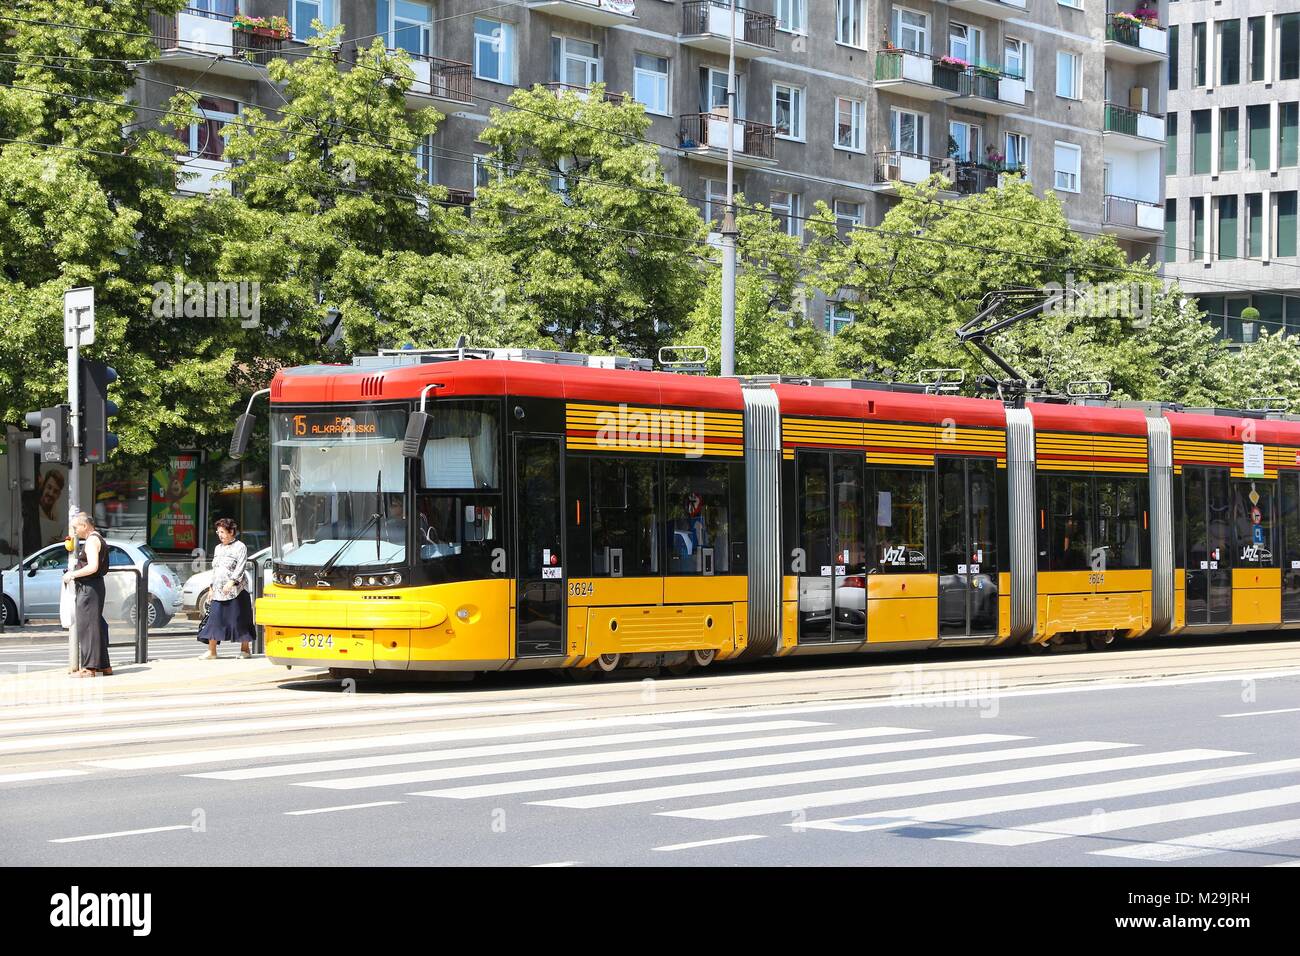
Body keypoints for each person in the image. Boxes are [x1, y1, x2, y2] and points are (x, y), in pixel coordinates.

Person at [197, 518, 255, 659]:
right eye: (218, 532)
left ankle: (245, 649)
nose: (220, 535)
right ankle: (212, 651)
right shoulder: (218, 548)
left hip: (237, 591)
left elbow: (241, 567)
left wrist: (232, 582)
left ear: (231, 532)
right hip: (218, 591)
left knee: (240, 620)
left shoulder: (240, 547)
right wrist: (211, 587)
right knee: (214, 620)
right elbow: (215, 569)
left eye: (222, 532)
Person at [63, 512, 111, 677]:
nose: (75, 531)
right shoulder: (99, 538)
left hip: (89, 588)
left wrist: (72, 574)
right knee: (94, 626)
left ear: (85, 526)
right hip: (96, 586)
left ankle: (89, 668)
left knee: (87, 627)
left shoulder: (91, 541)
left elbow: (92, 567)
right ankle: (104, 666)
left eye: (76, 528)